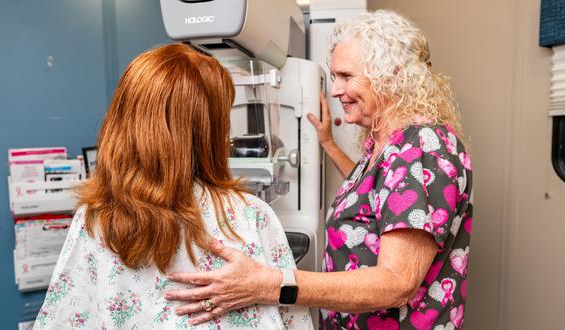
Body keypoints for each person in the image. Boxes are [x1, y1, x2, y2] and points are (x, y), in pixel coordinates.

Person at [165, 10, 474, 330]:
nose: (336, 90)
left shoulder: (423, 147)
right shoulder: (391, 146)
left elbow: (396, 282)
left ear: (391, 74)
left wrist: (268, 284)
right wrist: (327, 143)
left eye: (346, 76)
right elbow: (381, 196)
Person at [34, 43, 312, 329]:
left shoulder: (95, 219)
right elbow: (295, 322)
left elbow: (63, 319)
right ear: (210, 131)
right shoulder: (250, 216)